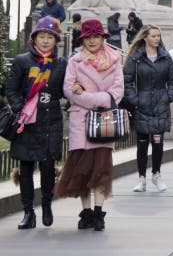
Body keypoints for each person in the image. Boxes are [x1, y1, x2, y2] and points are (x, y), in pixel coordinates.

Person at [56, 18, 124, 231]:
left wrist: (89, 97)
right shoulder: (74, 61)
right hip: (81, 121)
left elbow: (118, 92)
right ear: (83, 39)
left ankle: (98, 213)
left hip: (104, 121)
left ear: (103, 38)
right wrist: (93, 98)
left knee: (102, 170)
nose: (93, 41)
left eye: (96, 36)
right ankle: (86, 212)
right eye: (89, 37)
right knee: (82, 171)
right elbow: (68, 90)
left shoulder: (114, 60)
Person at [6, 17, 67, 229]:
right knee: (26, 167)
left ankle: (47, 205)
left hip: (51, 121)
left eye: (50, 37)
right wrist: (20, 108)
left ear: (55, 40)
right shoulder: (22, 61)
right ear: (34, 39)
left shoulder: (61, 64)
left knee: (48, 167)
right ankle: (28, 212)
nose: (45, 41)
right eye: (41, 36)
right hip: (27, 122)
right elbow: (11, 89)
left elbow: (65, 90)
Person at [123, 25, 173, 193]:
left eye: (159, 36)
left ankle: (156, 174)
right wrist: (135, 99)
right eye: (153, 36)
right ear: (145, 37)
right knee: (141, 144)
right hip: (142, 105)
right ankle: (141, 179)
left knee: (158, 142)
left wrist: (169, 96)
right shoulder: (136, 57)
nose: (157, 39)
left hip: (160, 105)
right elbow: (126, 80)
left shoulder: (165, 56)